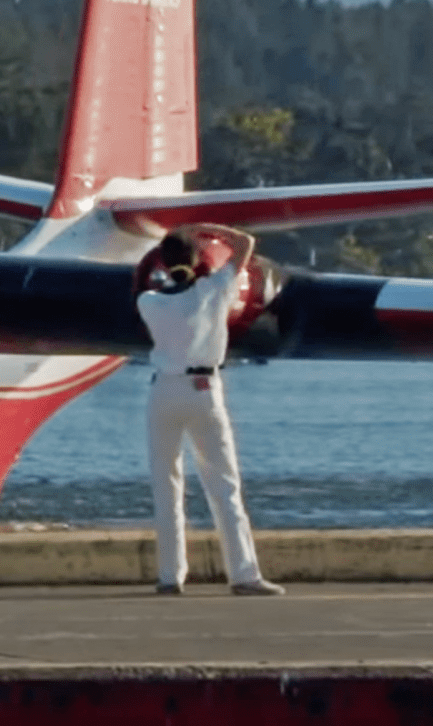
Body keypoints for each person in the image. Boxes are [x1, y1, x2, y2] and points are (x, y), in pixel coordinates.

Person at [135, 223, 284, 597]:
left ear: (164, 265)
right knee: (224, 486)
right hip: (205, 390)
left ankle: (170, 577)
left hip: (164, 390)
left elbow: (146, 285)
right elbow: (245, 243)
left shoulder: (149, 303)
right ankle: (244, 575)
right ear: (197, 260)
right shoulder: (215, 290)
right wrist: (205, 228)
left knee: (166, 485)